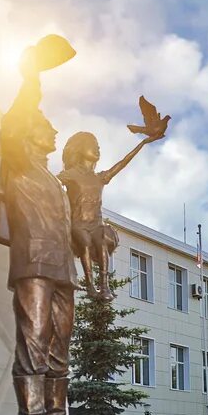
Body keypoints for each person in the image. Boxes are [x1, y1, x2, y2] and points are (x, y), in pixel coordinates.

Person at [0, 42, 94, 415]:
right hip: (33, 265)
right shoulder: (17, 165)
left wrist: (95, 239)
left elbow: (72, 232)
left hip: (61, 270)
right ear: (29, 134)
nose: (54, 130)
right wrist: (32, 74)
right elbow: (18, 116)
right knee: (34, 338)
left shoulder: (56, 182)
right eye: (47, 125)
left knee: (60, 344)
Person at [59, 129, 162, 302]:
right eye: (93, 146)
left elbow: (123, 163)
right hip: (77, 224)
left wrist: (143, 142)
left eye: (98, 146)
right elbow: (51, 183)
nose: (97, 149)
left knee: (101, 239)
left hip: (96, 224)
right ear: (80, 149)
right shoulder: (71, 174)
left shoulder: (100, 177)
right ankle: (90, 286)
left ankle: (104, 285)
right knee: (84, 241)